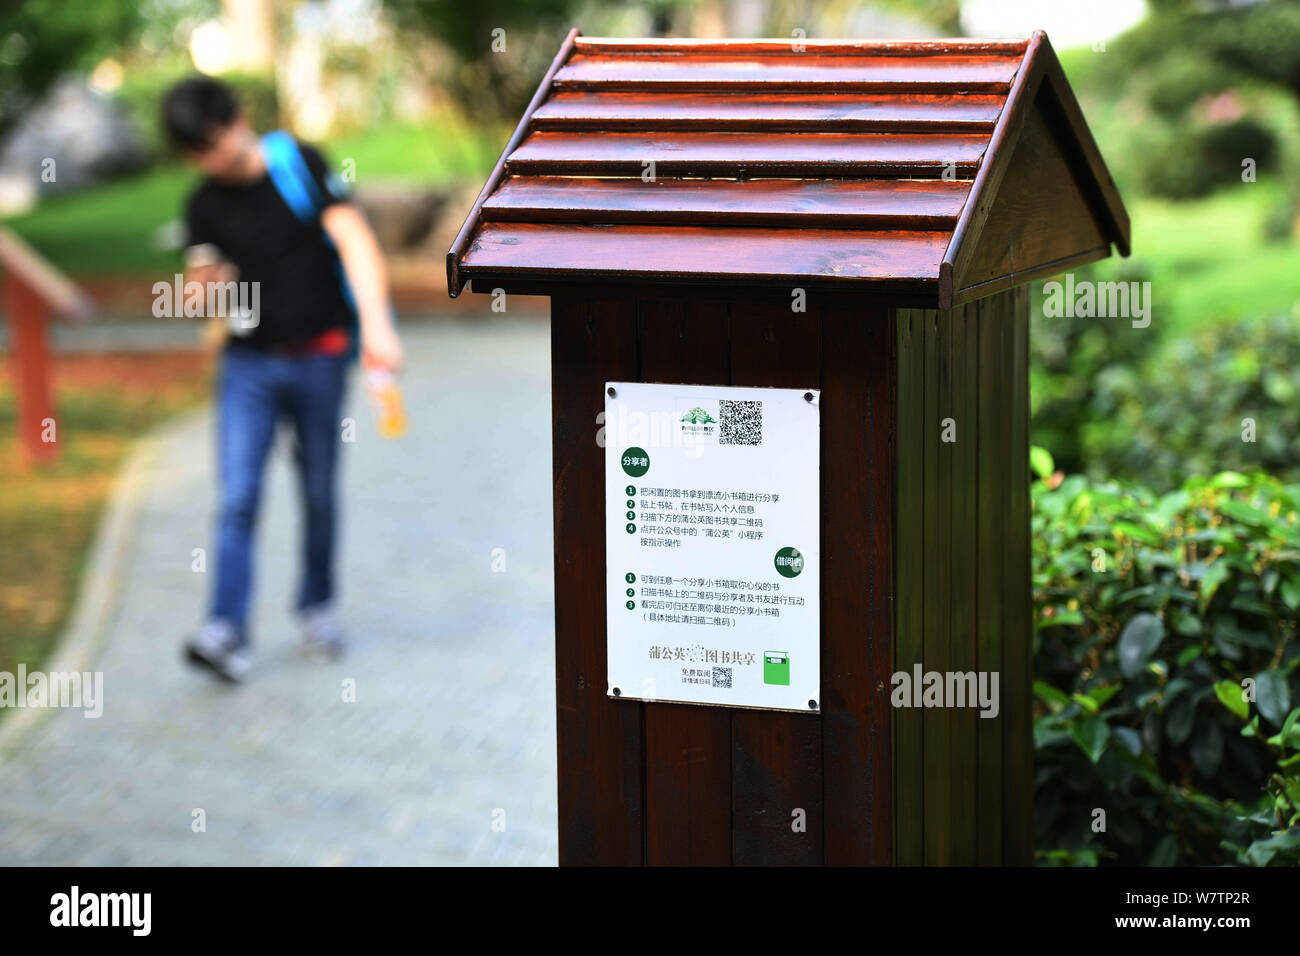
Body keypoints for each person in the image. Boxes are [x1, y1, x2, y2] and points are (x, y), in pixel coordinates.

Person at [163, 76, 403, 682]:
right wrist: (199, 292)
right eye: (196, 154)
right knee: (238, 496)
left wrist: (377, 325)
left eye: (212, 144)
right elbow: (199, 292)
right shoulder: (203, 204)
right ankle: (225, 631)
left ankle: (317, 607)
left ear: (238, 119)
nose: (209, 160)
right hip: (247, 367)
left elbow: (355, 241)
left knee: (319, 490)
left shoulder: (301, 165)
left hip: (321, 357)